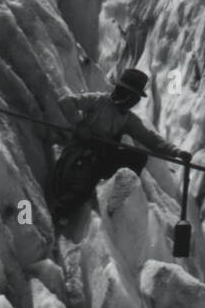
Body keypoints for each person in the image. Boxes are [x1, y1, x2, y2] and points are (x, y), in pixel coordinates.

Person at [49, 70, 189, 222]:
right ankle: (58, 214)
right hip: (80, 152)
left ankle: (116, 198)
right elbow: (66, 102)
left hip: (103, 156)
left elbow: (150, 138)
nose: (132, 101)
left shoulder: (128, 119)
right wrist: (80, 126)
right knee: (81, 186)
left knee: (137, 157)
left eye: (134, 98)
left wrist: (177, 152)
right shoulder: (98, 101)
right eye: (130, 95)